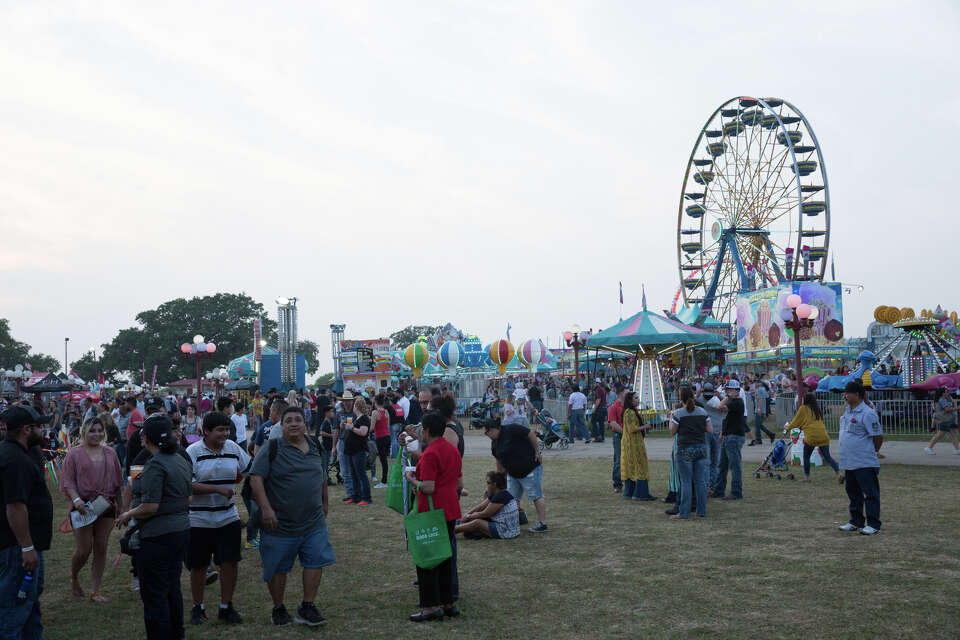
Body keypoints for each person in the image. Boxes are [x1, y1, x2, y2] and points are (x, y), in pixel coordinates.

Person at [249, 406, 334, 627]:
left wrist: (325, 502)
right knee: (277, 567)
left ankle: (307, 607)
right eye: (289, 421)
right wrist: (266, 508)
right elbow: (256, 478)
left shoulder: (315, 445)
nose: (294, 424)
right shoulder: (272, 448)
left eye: (298, 420)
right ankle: (278, 607)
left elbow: (322, 474)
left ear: (305, 423)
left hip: (313, 520)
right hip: (279, 522)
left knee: (316, 561)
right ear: (282, 425)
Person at [116, 415, 193, 640]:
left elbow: (150, 506)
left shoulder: (156, 465)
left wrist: (128, 514)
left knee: (155, 595)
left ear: (146, 438)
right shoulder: (180, 459)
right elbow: (188, 499)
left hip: (157, 537)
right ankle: (177, 633)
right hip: (180, 532)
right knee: (172, 587)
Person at [185, 411, 251, 625]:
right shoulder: (192, 452)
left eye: (227, 429)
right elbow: (188, 485)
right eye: (220, 430)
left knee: (230, 563)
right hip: (198, 519)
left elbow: (251, 470)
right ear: (206, 431)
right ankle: (198, 607)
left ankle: (226, 606)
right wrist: (219, 489)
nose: (225, 434)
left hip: (227, 516)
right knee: (199, 566)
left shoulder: (233, 448)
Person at [0, 406, 54, 639]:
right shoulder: (14, 460)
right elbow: (15, 507)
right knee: (14, 606)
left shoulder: (19, 453)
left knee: (29, 603)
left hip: (23, 546)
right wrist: (27, 547)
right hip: (17, 549)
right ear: (26, 429)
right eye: (39, 426)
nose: (43, 430)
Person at [404, 412, 463, 622]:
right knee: (446, 557)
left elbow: (428, 487)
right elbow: (459, 484)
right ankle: (448, 603)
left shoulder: (430, 454)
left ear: (427, 431)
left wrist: (412, 480)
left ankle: (431, 606)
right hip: (450, 510)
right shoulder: (452, 450)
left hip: (432, 512)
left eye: (421, 430)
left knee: (427, 559)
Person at [60, 417, 123, 602]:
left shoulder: (111, 453)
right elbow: (68, 481)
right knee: (84, 550)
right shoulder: (74, 454)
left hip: (106, 504)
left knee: (101, 547)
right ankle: (74, 576)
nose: (97, 434)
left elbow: (118, 482)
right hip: (84, 506)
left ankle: (95, 590)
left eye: (99, 430)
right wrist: (77, 500)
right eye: (92, 430)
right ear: (84, 432)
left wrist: (121, 506)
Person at [484, 418, 548, 533]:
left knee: (536, 496)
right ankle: (518, 519)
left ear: (494, 429)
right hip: (512, 473)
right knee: (512, 498)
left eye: (487, 432)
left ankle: (542, 523)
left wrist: (537, 451)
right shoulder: (494, 443)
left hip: (530, 469)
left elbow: (530, 434)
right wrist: (499, 477)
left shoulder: (511, 429)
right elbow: (499, 460)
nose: (486, 435)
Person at [837, 380, 883, 535]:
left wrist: (872, 451)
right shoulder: (847, 411)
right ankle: (856, 521)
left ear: (856, 394)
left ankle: (873, 524)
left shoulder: (868, 413)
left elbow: (877, 436)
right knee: (853, 493)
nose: (844, 395)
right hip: (849, 461)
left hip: (864, 461)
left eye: (847, 393)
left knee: (870, 493)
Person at [668, 389, 712, 519]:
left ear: (680, 398)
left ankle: (684, 512)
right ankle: (701, 511)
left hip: (685, 448)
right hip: (701, 448)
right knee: (700, 481)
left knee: (686, 482)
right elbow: (710, 430)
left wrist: (671, 418)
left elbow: (672, 431)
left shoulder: (678, 413)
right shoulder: (703, 412)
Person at [788, 392, 841, 482]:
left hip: (811, 436)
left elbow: (796, 421)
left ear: (805, 400)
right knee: (828, 457)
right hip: (823, 435)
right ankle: (839, 473)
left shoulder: (803, 408)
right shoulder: (817, 409)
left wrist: (788, 427)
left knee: (806, 457)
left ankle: (807, 477)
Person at [712, 380, 748, 500]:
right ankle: (719, 490)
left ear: (736, 390)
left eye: (729, 390)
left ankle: (736, 492)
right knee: (722, 465)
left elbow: (720, 407)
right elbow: (727, 420)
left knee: (734, 465)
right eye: (726, 390)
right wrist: (722, 434)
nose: (727, 392)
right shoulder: (734, 402)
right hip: (729, 436)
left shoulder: (737, 402)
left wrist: (726, 397)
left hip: (734, 437)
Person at [456, 471, 519, 539]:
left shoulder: (501, 497)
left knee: (477, 523)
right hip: (506, 527)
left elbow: (485, 514)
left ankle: (452, 530)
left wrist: (468, 517)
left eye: (488, 483)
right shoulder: (498, 493)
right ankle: (452, 525)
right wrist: (467, 515)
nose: (487, 486)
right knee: (473, 519)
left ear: (494, 484)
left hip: (507, 531)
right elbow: (480, 507)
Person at [620, 391, 656, 500]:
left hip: (633, 442)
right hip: (633, 443)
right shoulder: (629, 412)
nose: (638, 400)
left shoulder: (631, 411)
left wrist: (644, 426)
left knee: (632, 466)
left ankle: (631, 492)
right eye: (635, 398)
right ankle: (640, 494)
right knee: (640, 466)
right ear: (630, 400)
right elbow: (632, 429)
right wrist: (645, 427)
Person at [343, 397, 372, 505]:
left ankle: (366, 498)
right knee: (354, 474)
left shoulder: (363, 418)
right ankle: (356, 497)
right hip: (352, 450)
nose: (353, 407)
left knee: (361, 475)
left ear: (357, 406)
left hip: (359, 450)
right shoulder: (357, 418)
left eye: (354, 405)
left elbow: (363, 432)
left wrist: (351, 428)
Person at [697, 383, 724, 492]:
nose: (708, 396)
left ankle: (713, 485)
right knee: (707, 461)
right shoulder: (699, 400)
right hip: (705, 432)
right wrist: (697, 395)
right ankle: (707, 485)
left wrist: (720, 397)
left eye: (710, 394)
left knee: (715, 461)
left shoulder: (718, 399)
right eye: (706, 394)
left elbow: (726, 408)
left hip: (717, 432)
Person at [334, 391, 357, 501]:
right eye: (345, 401)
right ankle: (350, 493)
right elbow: (336, 431)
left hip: (354, 442)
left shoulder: (356, 414)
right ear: (342, 402)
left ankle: (356, 493)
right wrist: (334, 447)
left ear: (352, 401)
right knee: (344, 469)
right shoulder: (338, 414)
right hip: (343, 442)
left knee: (354, 468)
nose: (347, 402)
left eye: (349, 400)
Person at [923, 387, 960, 455]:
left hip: (948, 419)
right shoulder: (942, 400)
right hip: (944, 419)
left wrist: (950, 397)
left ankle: (957, 450)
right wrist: (957, 408)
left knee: (953, 434)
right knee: (940, 434)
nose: (948, 393)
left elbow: (952, 402)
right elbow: (947, 409)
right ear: (943, 393)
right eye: (946, 392)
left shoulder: (945, 399)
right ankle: (929, 448)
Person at [607, 386, 625, 493]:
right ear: (621, 393)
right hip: (618, 435)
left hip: (626, 435)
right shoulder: (614, 407)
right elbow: (613, 423)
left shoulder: (628, 406)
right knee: (618, 459)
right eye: (626, 392)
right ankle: (617, 483)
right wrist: (624, 432)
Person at [371, 394, 392, 489]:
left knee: (383, 460)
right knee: (385, 460)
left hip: (380, 438)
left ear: (375, 402)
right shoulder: (386, 411)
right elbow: (387, 425)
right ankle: (384, 480)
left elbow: (371, 428)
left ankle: (384, 481)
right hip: (387, 436)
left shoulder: (375, 413)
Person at [312, 405, 336, 483]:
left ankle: (326, 478)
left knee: (327, 462)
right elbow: (321, 432)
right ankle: (326, 480)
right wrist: (332, 435)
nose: (333, 413)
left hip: (328, 445)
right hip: (325, 445)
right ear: (326, 413)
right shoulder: (325, 422)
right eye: (331, 412)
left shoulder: (329, 421)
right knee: (325, 463)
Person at [750, 380, 774, 445]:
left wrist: (759, 409)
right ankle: (771, 434)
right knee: (759, 425)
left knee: (757, 425)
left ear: (759, 384)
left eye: (756, 383)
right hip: (762, 409)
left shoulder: (760, 389)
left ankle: (758, 439)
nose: (755, 384)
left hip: (760, 409)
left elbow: (760, 399)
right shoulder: (762, 389)